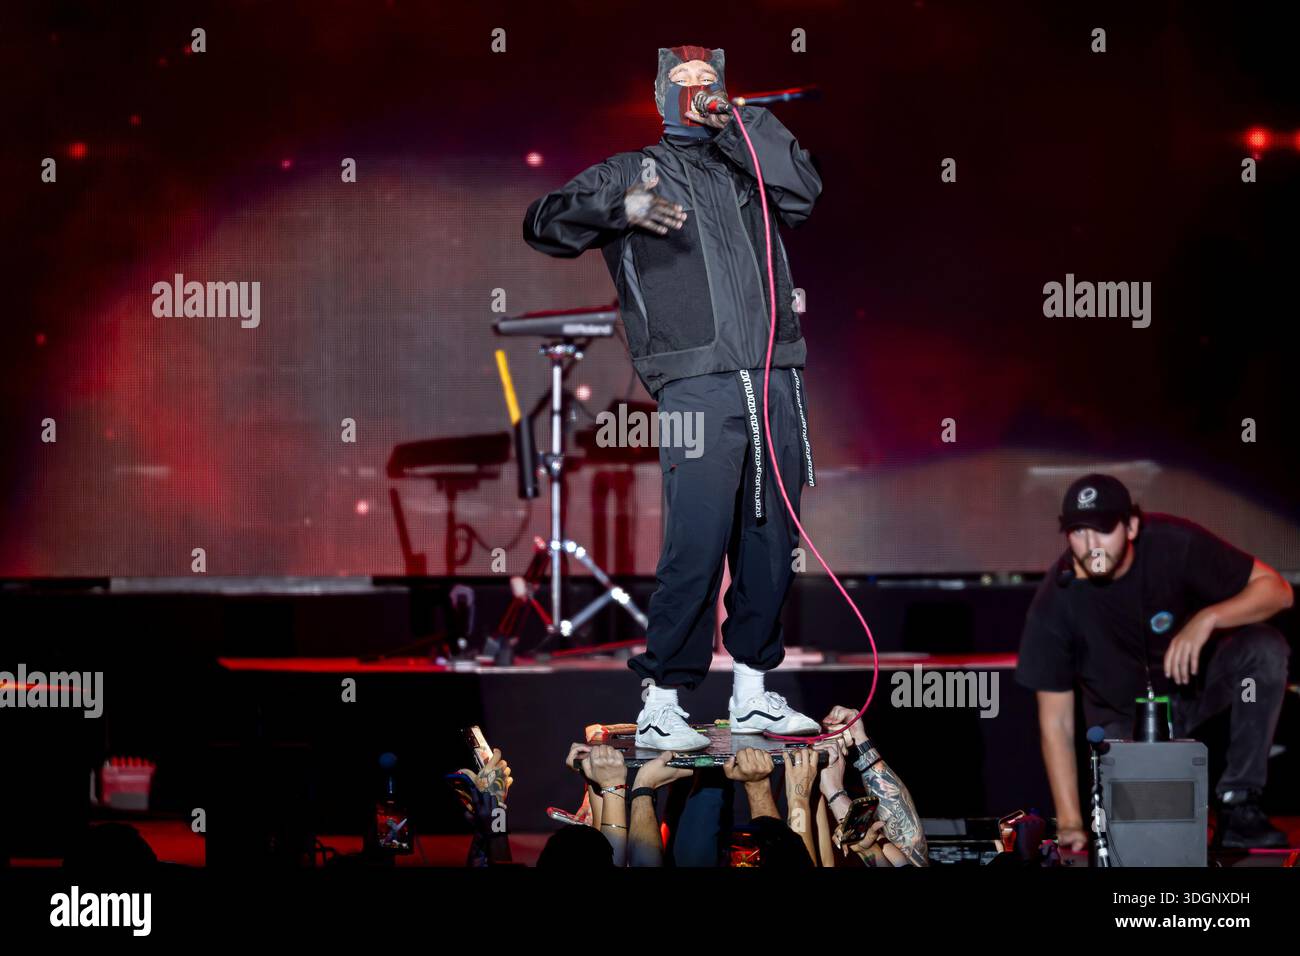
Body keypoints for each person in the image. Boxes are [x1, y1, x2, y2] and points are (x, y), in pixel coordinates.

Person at [524, 44, 824, 750]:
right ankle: (663, 696)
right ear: (662, 96)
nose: (697, 91)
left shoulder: (745, 163)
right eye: (683, 82)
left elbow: (803, 195)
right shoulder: (635, 169)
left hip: (774, 373)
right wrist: (617, 205)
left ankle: (752, 691)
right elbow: (542, 222)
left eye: (709, 80)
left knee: (770, 542)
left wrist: (749, 125)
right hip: (697, 382)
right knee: (696, 541)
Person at [1015, 474, 1294, 849]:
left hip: (1196, 694)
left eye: (1102, 530)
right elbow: (1057, 720)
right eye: (1078, 533)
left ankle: (1238, 801)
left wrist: (1209, 617)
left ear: (1131, 525)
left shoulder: (1174, 544)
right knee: (1148, 842)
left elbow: (1278, 591)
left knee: (1264, 648)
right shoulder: (1056, 600)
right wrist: (1069, 822)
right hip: (1124, 727)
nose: (1091, 546)